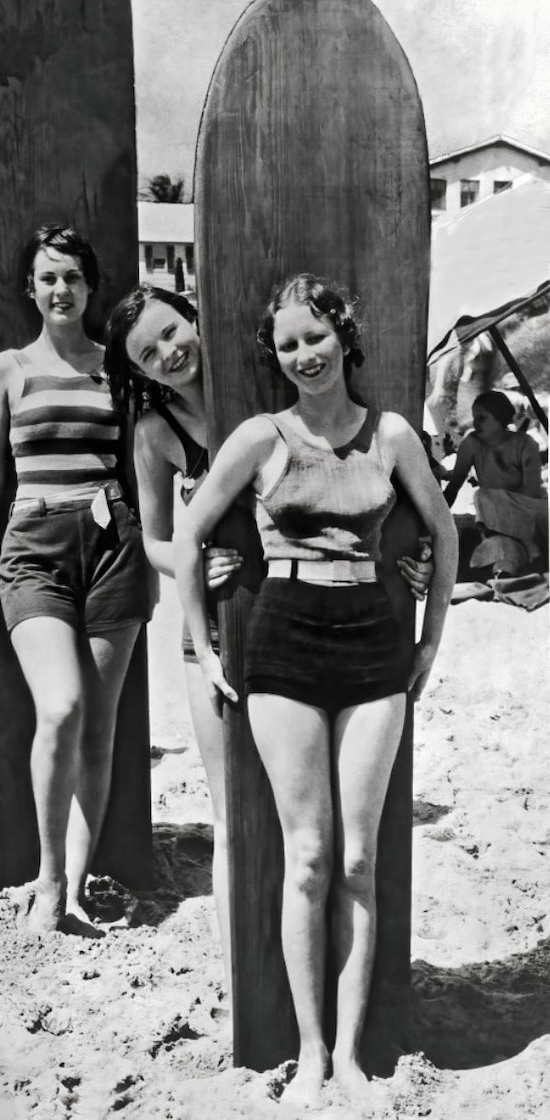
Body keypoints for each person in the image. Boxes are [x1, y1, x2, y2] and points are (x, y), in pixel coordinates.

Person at [172, 273, 456, 1106]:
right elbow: (188, 539)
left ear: (344, 334)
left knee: (359, 860)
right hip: (283, 645)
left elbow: (443, 535)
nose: (303, 355)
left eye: (315, 337)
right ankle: (310, 1053)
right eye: (287, 345)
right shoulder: (261, 438)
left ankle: (357, 1057)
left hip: (375, 646)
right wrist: (204, 641)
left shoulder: (394, 434)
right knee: (308, 859)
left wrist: (431, 636)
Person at [103, 283, 436, 990]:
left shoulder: (270, 407)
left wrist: (417, 561)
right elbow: (158, 544)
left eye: (172, 331)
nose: (170, 352)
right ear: (138, 372)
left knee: (326, 845)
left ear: (197, 318)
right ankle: (241, 983)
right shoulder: (158, 434)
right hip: (223, 632)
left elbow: (372, 492)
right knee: (236, 820)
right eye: (148, 353)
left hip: (302, 626)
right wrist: (196, 562)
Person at [0, 223, 152, 931]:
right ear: (29, 289)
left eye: (71, 276)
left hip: (111, 547)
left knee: (98, 730)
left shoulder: (116, 367)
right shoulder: (6, 369)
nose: (60, 289)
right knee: (61, 708)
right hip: (32, 547)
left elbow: (143, 467)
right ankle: (46, 879)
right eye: (47, 277)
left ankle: (71, 886)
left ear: (90, 285)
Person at [443, 389, 546, 574]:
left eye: (482, 418)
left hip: (529, 514)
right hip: (496, 522)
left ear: (499, 418)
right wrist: (433, 517)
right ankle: (514, 560)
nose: (475, 424)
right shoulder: (471, 444)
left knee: (484, 496)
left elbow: (532, 494)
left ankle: (530, 546)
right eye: (474, 418)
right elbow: (453, 487)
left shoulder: (525, 443)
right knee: (500, 549)